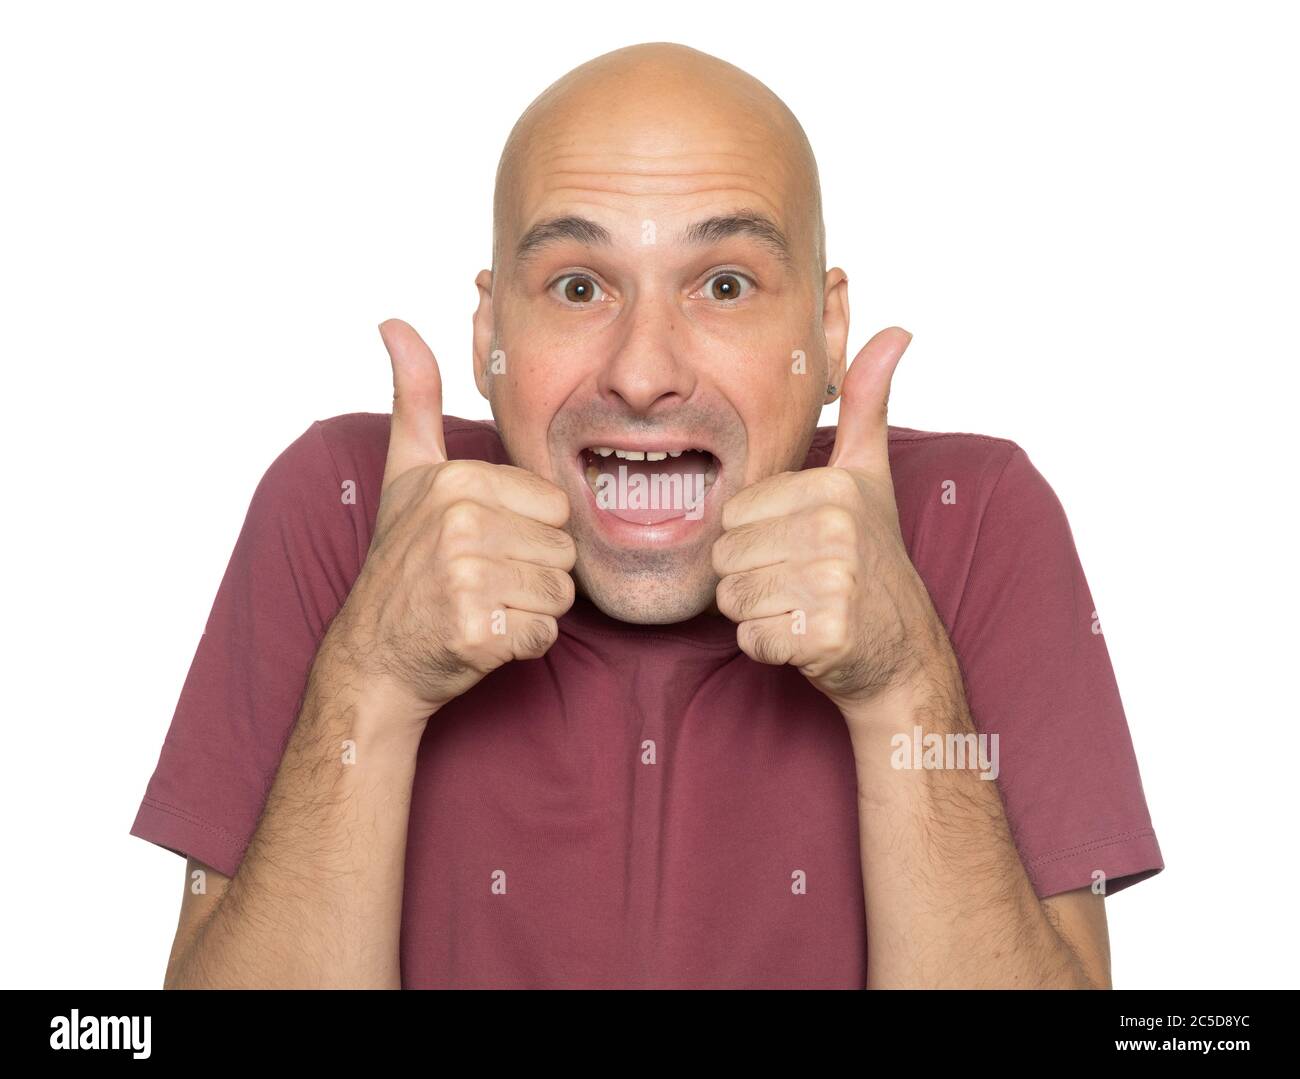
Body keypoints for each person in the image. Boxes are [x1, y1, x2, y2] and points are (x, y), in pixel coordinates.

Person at [129, 41, 1163, 989]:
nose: (642, 372)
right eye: (579, 285)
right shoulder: (343, 505)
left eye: (722, 283)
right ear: (490, 331)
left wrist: (902, 686)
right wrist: (372, 679)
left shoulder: (972, 519)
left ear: (826, 325)